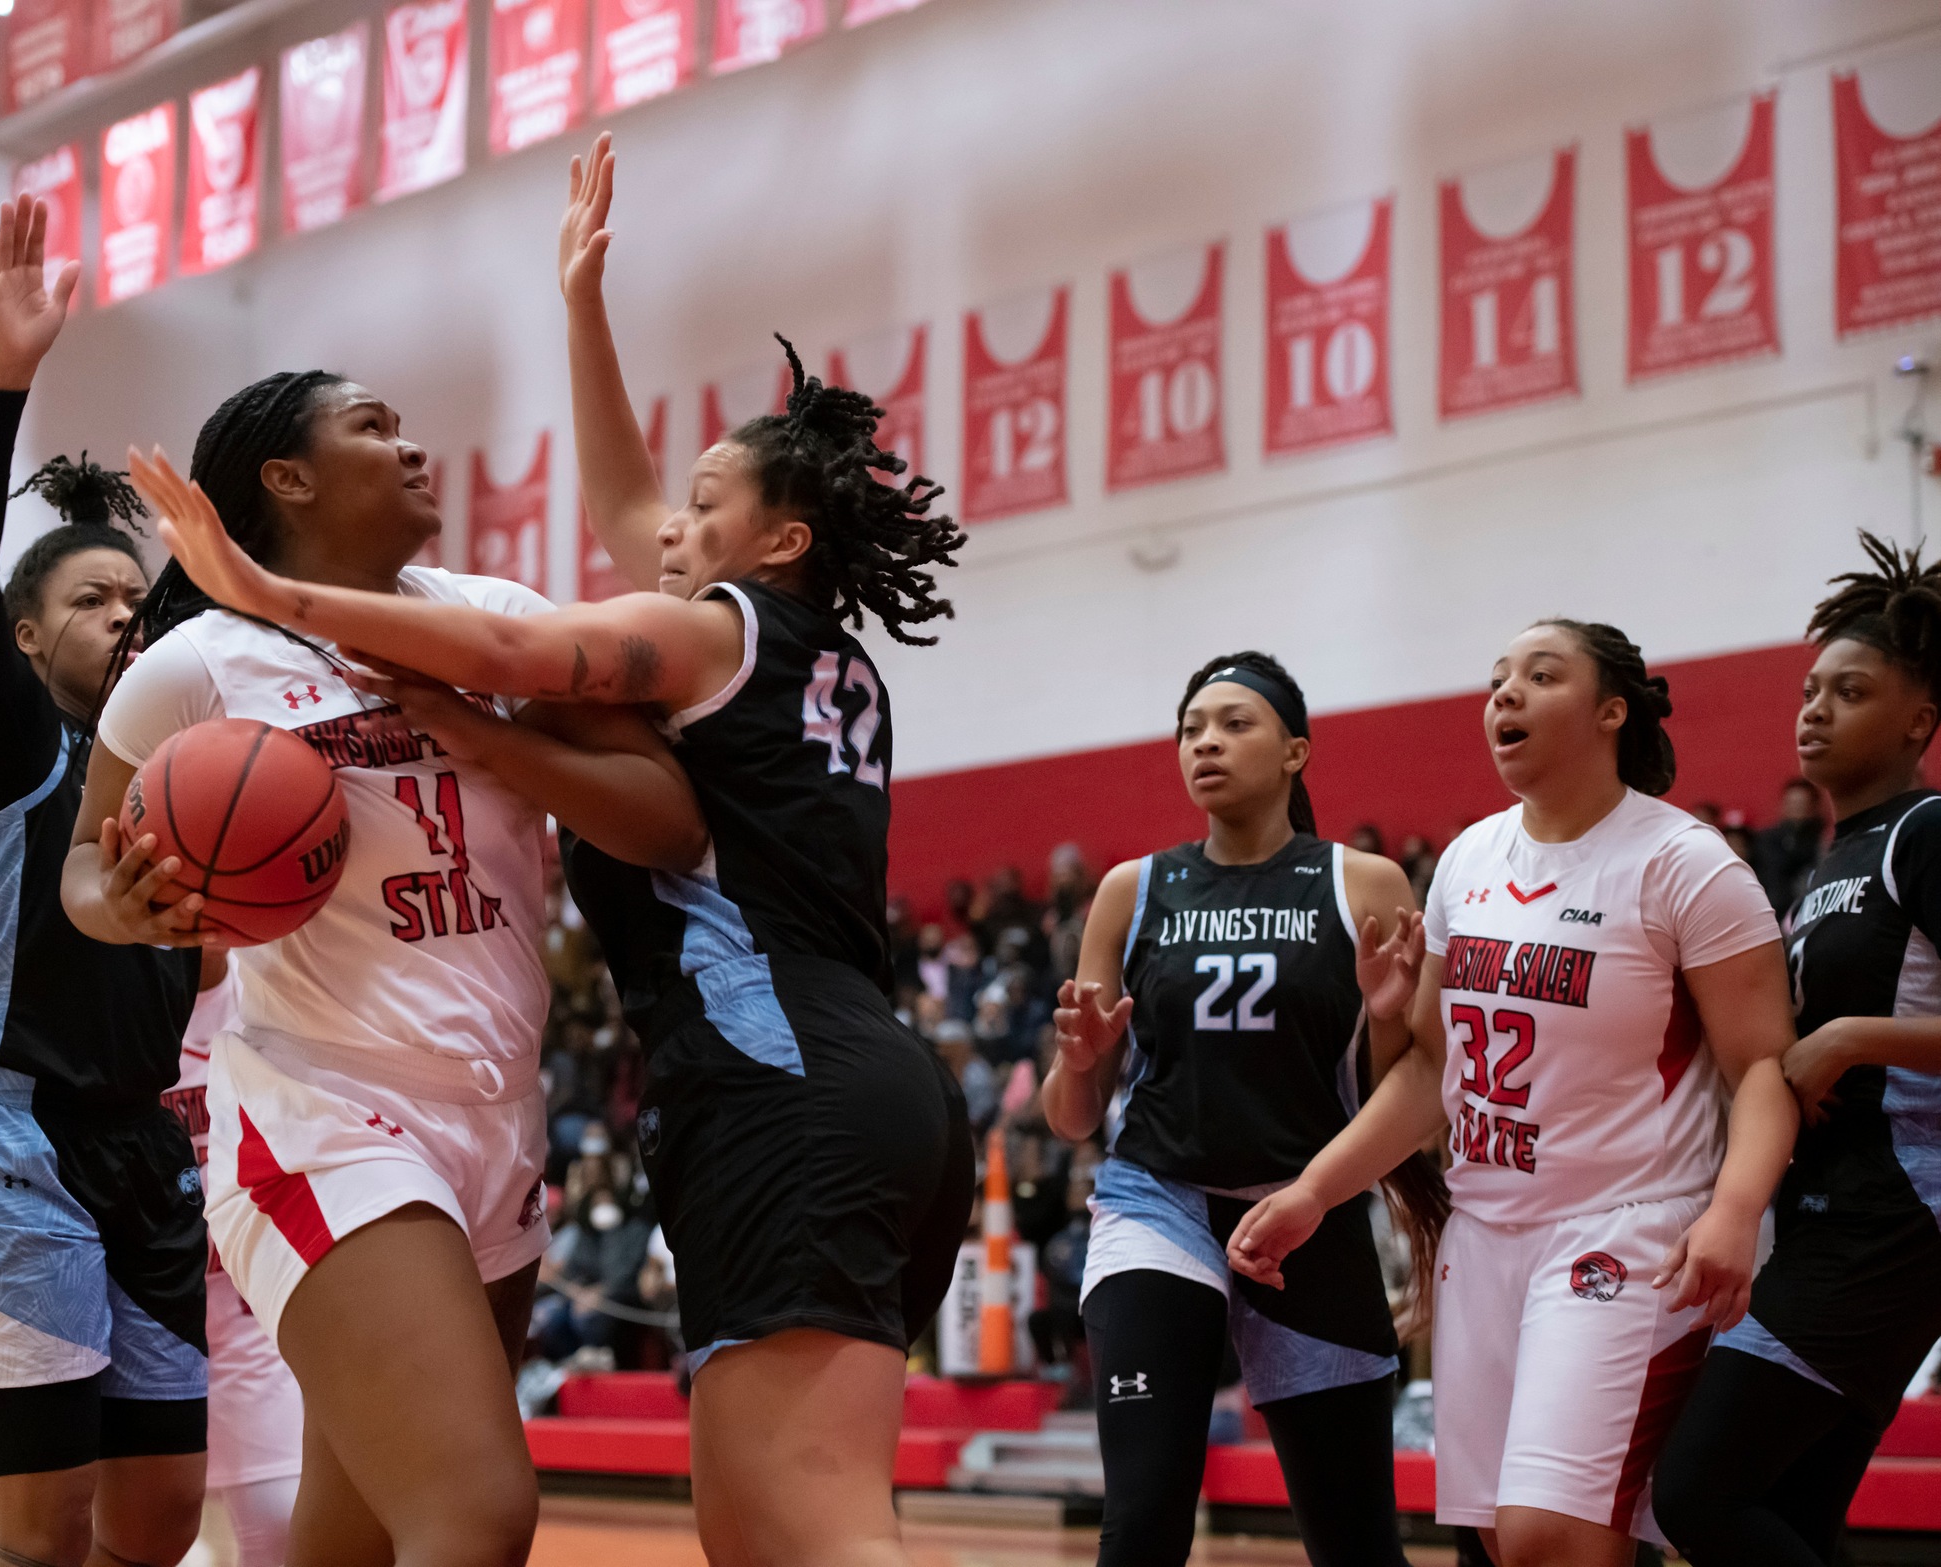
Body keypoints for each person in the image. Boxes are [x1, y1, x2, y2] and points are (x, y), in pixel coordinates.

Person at [123, 127, 976, 1567]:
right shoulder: (804, 649)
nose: (665, 528)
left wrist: (280, 592)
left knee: (807, 1533)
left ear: (770, 545)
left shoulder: (710, 633)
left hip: (777, 1085)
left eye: (708, 507)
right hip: (876, 1084)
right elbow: (630, 514)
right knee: (774, 1527)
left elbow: (525, 642)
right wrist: (578, 308)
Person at [68, 355, 709, 1565]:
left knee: (352, 1531)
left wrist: (468, 718)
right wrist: (140, 905)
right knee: (473, 1510)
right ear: (287, 478)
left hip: (497, 1109)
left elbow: (664, 820)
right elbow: (83, 880)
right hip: (324, 1107)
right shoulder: (198, 665)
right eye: (376, 429)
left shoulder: (502, 625)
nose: (414, 448)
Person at [1228, 619, 1798, 1567]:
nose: (1504, 695)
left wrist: (1736, 1211)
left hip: (1627, 1229)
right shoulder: (1466, 861)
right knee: (1503, 1542)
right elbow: (1427, 1070)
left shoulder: (1684, 863)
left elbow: (1762, 1070)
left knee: (1553, 1537)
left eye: (1539, 675)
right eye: (1496, 680)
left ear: (1610, 711)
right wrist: (1314, 1190)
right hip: (1486, 1235)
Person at [0, 195, 210, 1567]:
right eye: (93, 600)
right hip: (3, 1135)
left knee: (159, 1518)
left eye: (137, 604)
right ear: (27, 637)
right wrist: (8, 377)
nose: (123, 619)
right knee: (48, 1530)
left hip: (139, 1137)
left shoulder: (186, 777)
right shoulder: (21, 746)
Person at [1041, 652, 1437, 1567]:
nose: (1205, 742)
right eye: (1190, 728)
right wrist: (1078, 1065)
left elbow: (1407, 1093)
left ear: (1296, 749)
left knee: (1355, 1544)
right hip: (1157, 1205)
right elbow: (1072, 1118)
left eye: (1233, 723)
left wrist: (1382, 1020)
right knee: (1140, 1524)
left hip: (1309, 1211)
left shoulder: (1363, 883)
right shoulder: (1131, 890)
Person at [1655, 534, 1941, 1565]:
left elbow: (1842, 1043)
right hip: (1828, 1217)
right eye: (1808, 688)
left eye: (1848, 690)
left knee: (1696, 1495)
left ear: (1918, 719)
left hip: (1895, 1224)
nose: (1812, 708)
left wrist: (1852, 1039)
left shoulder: (1925, 832)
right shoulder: (1827, 865)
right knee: (1791, 1514)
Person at [159, 951, 302, 1567]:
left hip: (254, 1309)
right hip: (149, 1308)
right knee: (128, 1534)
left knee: (281, 1526)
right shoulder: (116, 1003)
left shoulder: (281, 991)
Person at [1756, 777, 1828, 910]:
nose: (1796, 808)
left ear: (1812, 806)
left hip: (1807, 908)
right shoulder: (1767, 840)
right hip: (1772, 909)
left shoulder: (1822, 840)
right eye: (1792, 803)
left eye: (1801, 803)